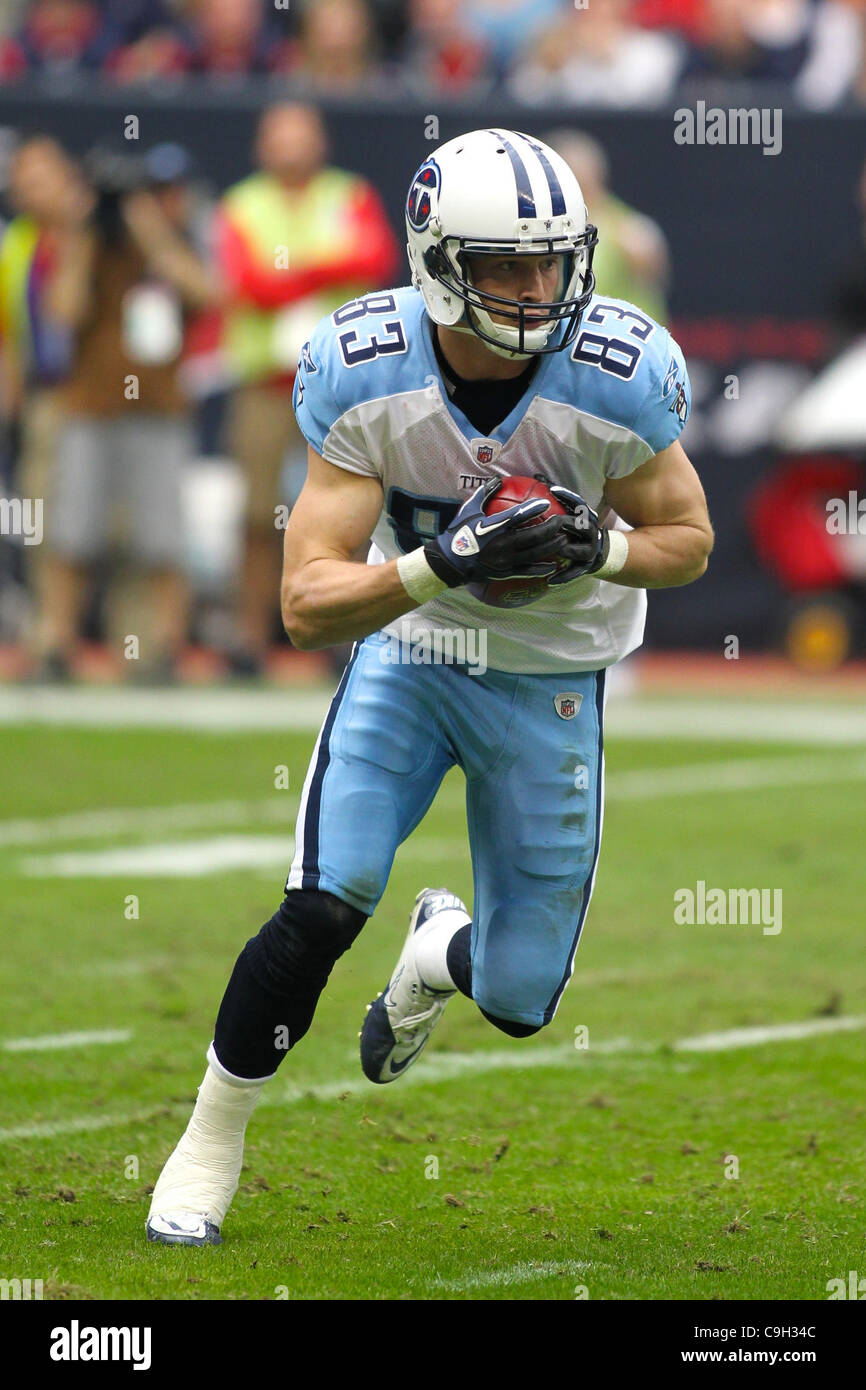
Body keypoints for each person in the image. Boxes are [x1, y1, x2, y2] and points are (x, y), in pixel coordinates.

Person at [146, 128, 713, 1246]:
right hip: (414, 653)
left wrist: (590, 548)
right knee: (320, 899)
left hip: (550, 677)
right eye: (502, 264)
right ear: (435, 260)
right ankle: (210, 1137)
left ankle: (433, 955)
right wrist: (438, 566)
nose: (532, 287)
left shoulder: (616, 370)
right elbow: (305, 603)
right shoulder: (365, 365)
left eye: (548, 261)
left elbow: (687, 538)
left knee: (516, 998)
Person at [216, 102, 398, 675]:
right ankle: (249, 639)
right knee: (256, 516)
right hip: (267, 384)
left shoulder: (350, 194)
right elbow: (249, 284)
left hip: (342, 385)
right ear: (262, 146)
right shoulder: (242, 204)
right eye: (280, 135)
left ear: (320, 143)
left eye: (302, 135)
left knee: (351, 514)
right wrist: (327, 267)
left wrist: (290, 273)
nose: (291, 147)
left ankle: (344, 635)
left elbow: (376, 258)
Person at [38, 142, 221, 681]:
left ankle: (162, 649)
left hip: (159, 411)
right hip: (89, 408)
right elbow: (62, 314)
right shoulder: (81, 244)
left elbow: (209, 294)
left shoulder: (172, 243)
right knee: (72, 533)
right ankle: (56, 645)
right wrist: (80, 237)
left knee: (162, 538)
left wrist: (150, 230)